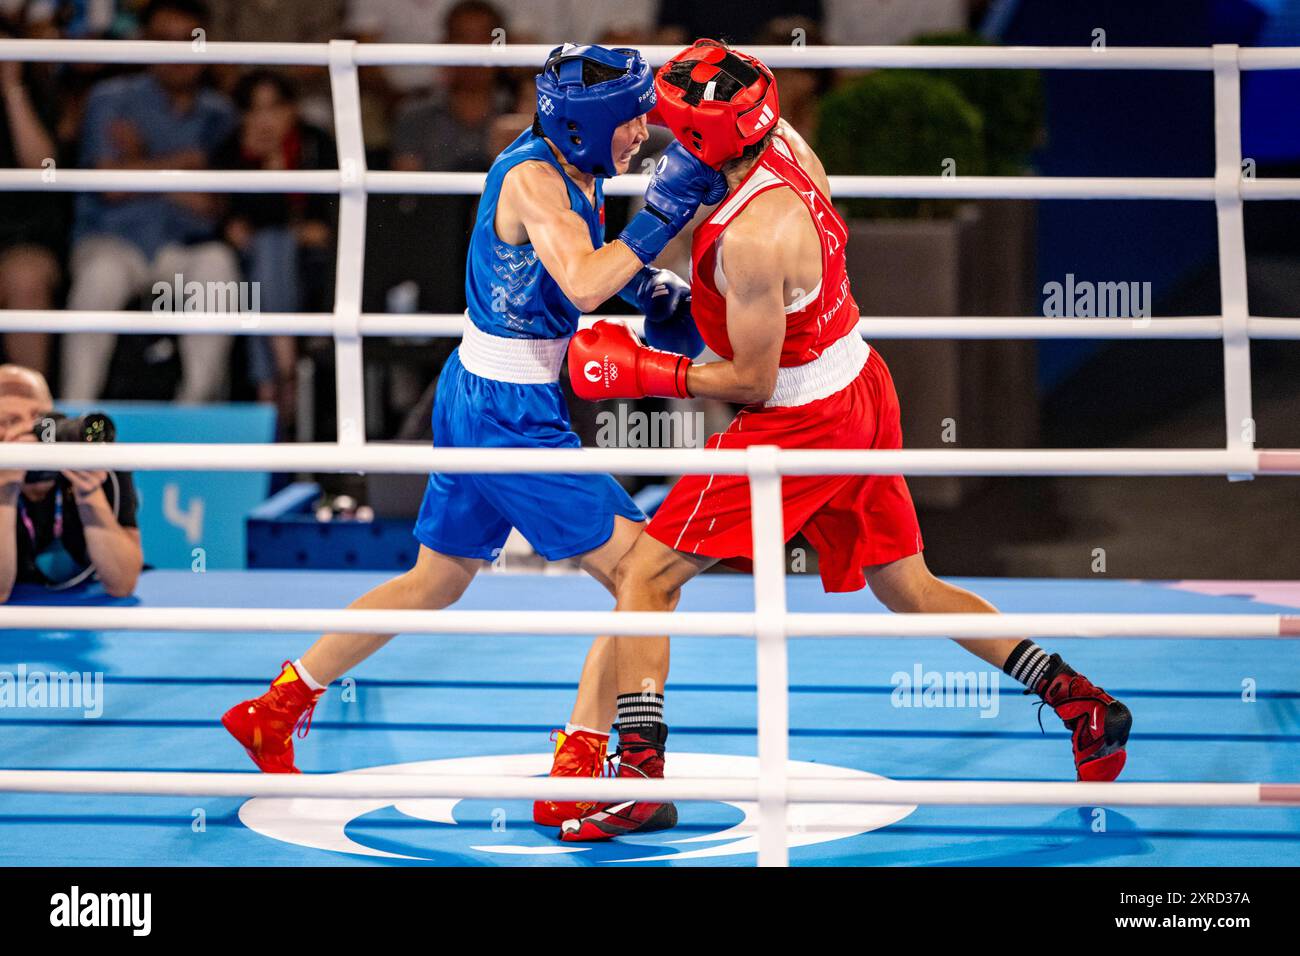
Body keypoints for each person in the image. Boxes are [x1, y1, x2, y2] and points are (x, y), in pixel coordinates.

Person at [561, 40, 1133, 841]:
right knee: (908, 586)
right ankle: (1080, 698)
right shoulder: (788, 146)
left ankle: (638, 781)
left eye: (675, 122)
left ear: (700, 141)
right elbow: (780, 312)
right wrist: (688, 305)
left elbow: (754, 383)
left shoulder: (753, 239)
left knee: (646, 578)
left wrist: (645, 369)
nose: (657, 124)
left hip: (799, 418)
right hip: (857, 380)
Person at [221, 44, 725, 833]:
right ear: (590, 125)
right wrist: (663, 221)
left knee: (437, 579)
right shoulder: (534, 180)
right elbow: (583, 280)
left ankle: (276, 707)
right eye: (631, 123)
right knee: (644, 574)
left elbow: (584, 267)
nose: (643, 136)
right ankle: (577, 768)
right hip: (509, 413)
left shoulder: (569, 166)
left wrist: (649, 286)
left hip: (479, 393)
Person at [63, 0, 240, 404]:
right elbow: (109, 186)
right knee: (100, 277)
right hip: (113, 242)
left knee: (220, 267)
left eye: (189, 40)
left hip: (183, 248)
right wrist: (184, 164)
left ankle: (194, 413)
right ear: (144, 41)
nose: (177, 52)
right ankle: (74, 413)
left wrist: (138, 164)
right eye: (164, 40)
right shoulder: (111, 98)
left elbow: (211, 205)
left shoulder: (221, 114)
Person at [0, 365, 142, 602]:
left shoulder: (99, 460)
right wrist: (5, 491)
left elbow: (122, 584)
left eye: (38, 418)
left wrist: (89, 495)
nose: (27, 430)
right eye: (9, 421)